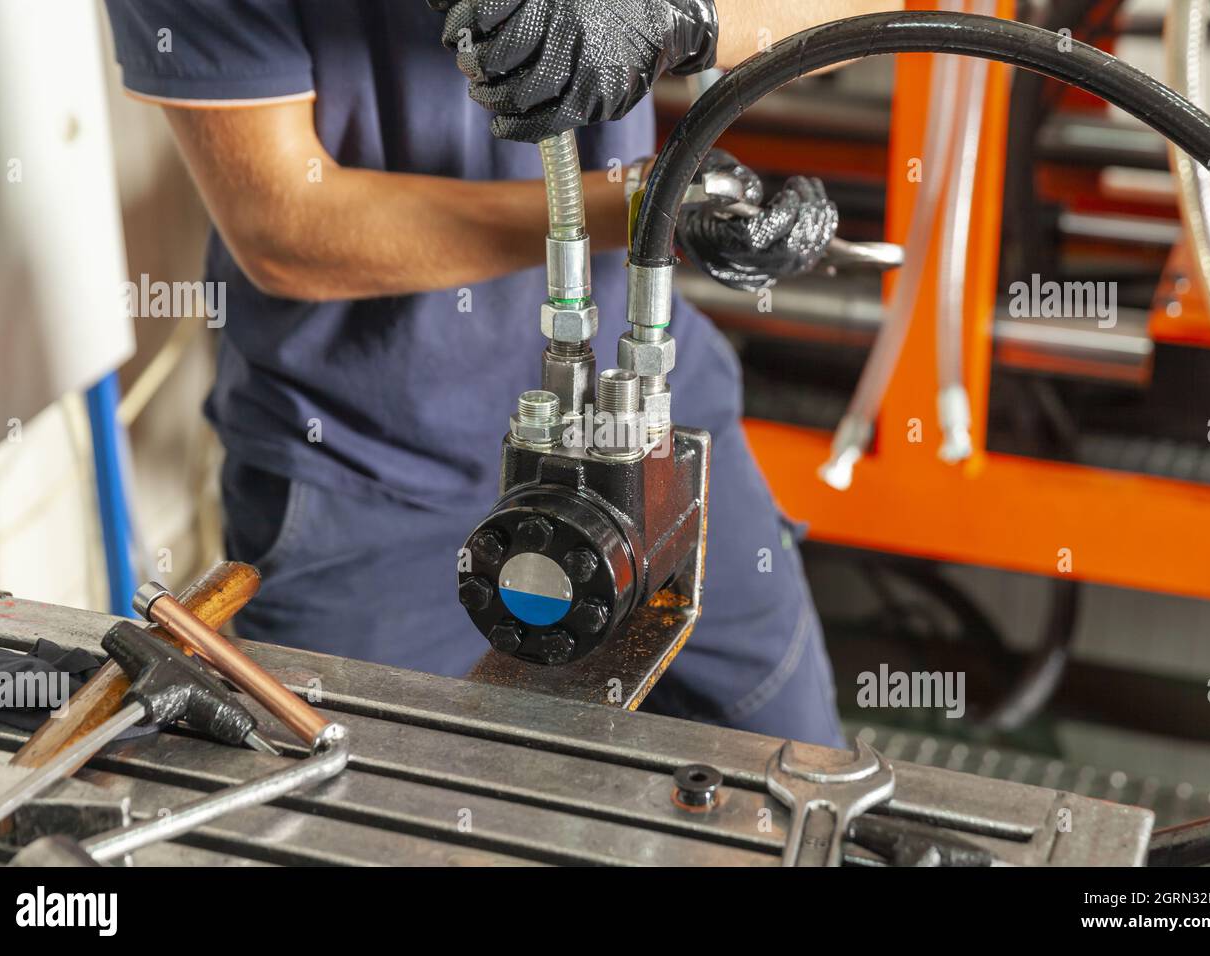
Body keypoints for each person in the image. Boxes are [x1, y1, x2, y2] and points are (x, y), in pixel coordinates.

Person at [102, 0, 899, 747]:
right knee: (382, 811)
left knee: (782, 777)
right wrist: (643, 205)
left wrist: (676, 15)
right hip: (366, 482)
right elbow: (288, 225)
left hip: (656, 425)